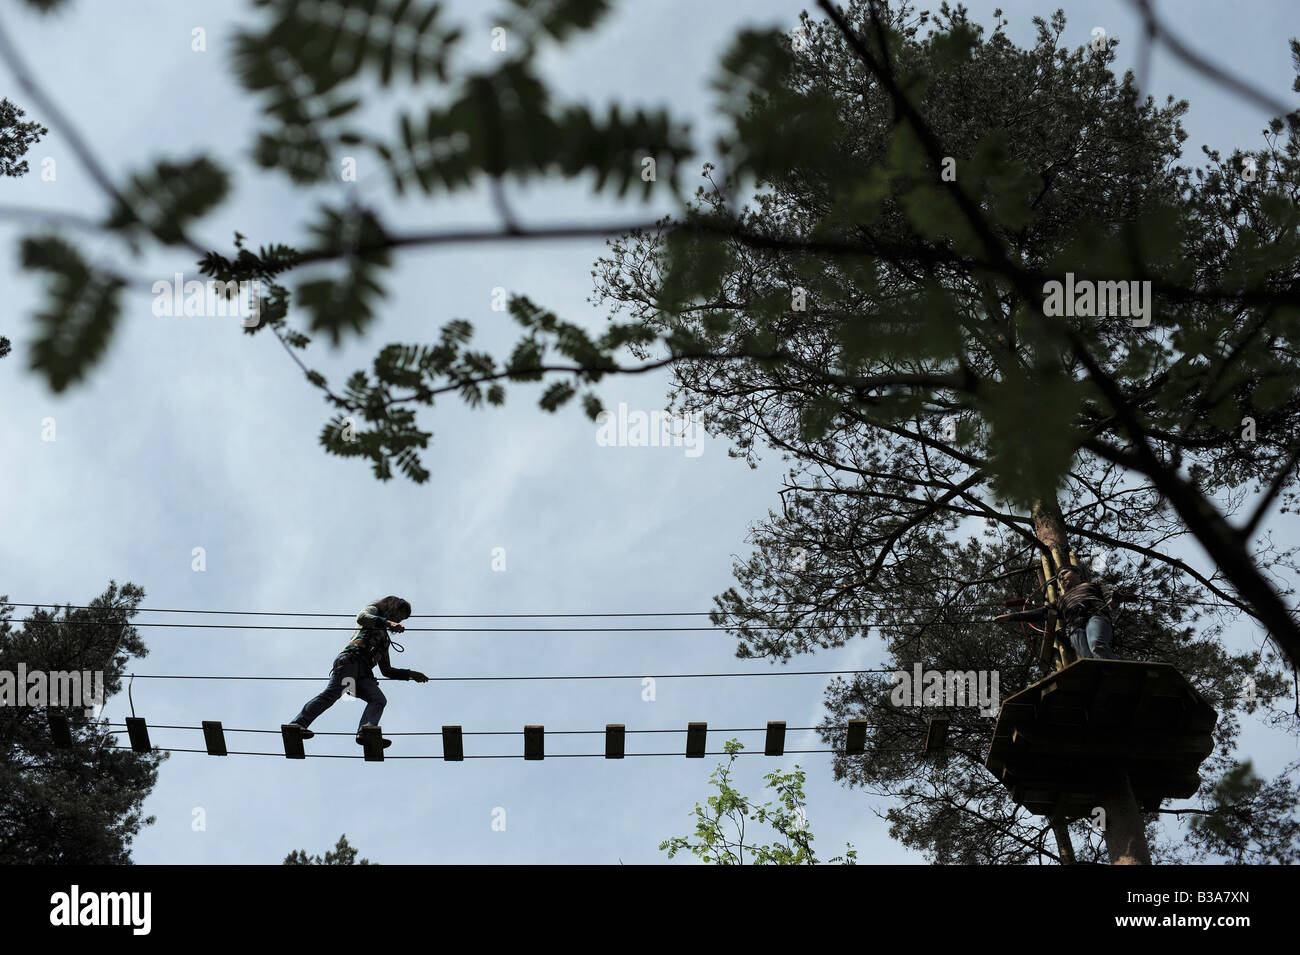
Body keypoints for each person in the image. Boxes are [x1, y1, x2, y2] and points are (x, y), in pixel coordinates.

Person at [287, 596, 429, 748]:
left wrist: (411, 674)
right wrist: (387, 622)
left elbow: (387, 670)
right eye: (399, 614)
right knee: (332, 694)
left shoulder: (384, 640)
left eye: (401, 619)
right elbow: (362, 618)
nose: (399, 619)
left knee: (378, 699)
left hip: (363, 674)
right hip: (350, 661)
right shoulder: (373, 612)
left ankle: (366, 731)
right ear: (391, 607)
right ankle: (297, 724)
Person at [994, 564, 1119, 660]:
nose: (1062, 578)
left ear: (1077, 574)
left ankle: (1114, 674)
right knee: (1087, 657)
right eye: (1059, 578)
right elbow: (1039, 613)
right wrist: (1011, 616)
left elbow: (1109, 596)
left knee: (1097, 645)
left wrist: (1113, 601)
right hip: (1074, 626)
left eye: (1065, 573)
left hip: (1095, 615)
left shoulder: (1092, 585)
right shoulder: (1060, 601)